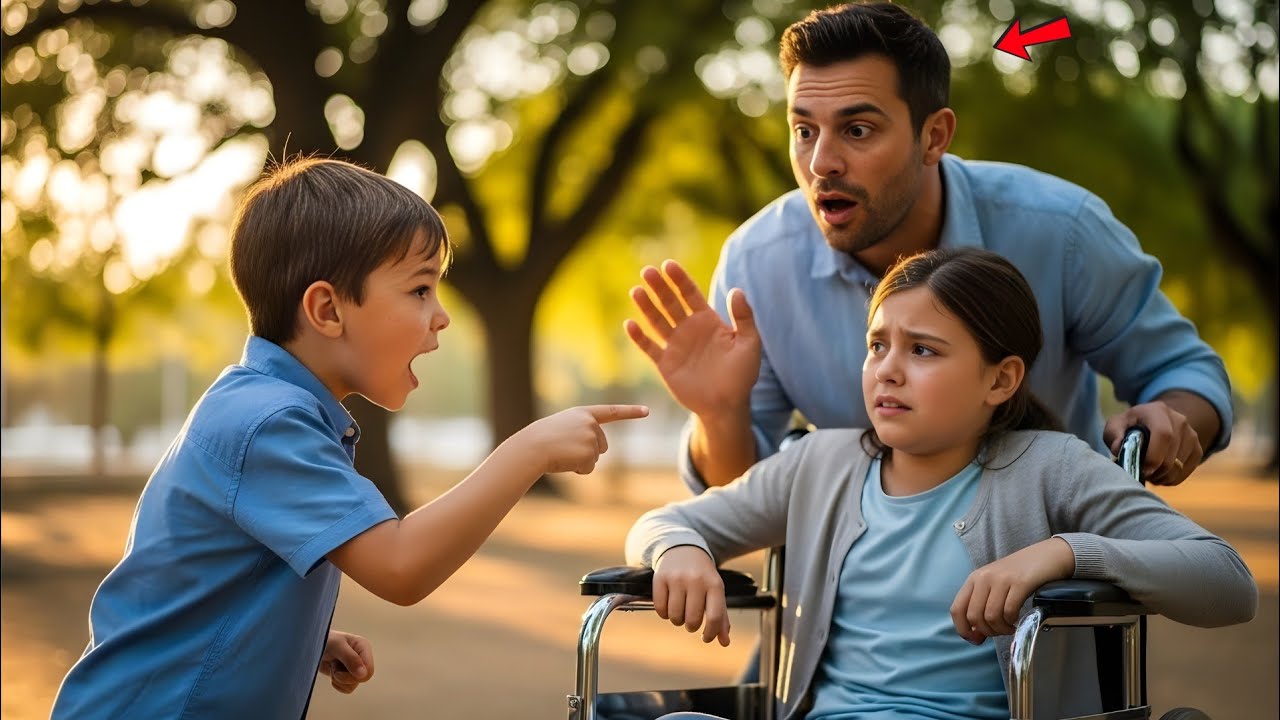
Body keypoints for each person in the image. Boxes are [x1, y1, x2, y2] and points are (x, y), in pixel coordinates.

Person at [50, 158, 648, 719]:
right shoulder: (268, 422)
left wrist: (288, 637)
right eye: (419, 290)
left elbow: (209, 585)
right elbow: (402, 566)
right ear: (327, 311)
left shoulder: (271, 408)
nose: (441, 315)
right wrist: (529, 450)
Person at [625, 2, 1232, 494]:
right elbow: (743, 499)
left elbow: (1187, 374)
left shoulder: (1061, 229)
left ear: (934, 136)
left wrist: (1171, 422)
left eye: (857, 130)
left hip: (1033, 609)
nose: (821, 162)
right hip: (841, 617)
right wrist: (720, 414)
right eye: (803, 130)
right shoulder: (756, 263)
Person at [625, 247, 1257, 720]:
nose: (888, 371)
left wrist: (1063, 552)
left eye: (923, 351)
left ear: (1001, 380)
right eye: (878, 345)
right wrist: (679, 550)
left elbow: (1228, 582)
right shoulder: (819, 464)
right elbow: (663, 523)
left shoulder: (1050, 468)